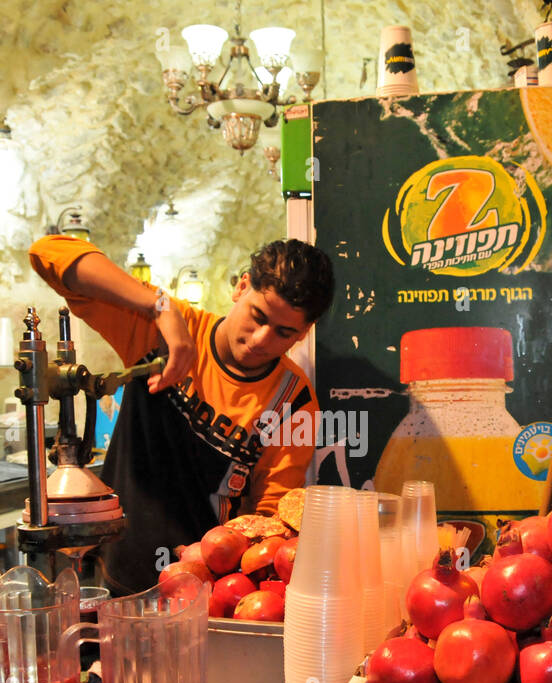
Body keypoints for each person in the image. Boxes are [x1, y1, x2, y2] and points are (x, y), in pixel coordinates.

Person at [28, 234, 334, 595]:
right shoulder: (160, 332)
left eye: (284, 333)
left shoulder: (294, 401)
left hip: (200, 591)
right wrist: (161, 306)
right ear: (242, 286)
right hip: (114, 573)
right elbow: (48, 254)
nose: (260, 340)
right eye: (258, 317)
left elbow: (269, 516)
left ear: (304, 333)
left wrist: (213, 567)